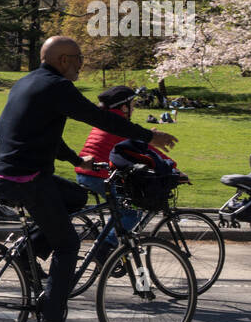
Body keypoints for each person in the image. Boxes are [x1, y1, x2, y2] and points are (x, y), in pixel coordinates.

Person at [0, 37, 177, 322]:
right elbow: (99, 118)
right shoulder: (57, 87)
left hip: (0, 173)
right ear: (62, 60)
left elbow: (41, 136)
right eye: (78, 58)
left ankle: (26, 252)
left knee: (76, 197)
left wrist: (77, 159)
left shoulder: (27, 82)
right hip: (25, 178)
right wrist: (148, 137)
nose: (81, 64)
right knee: (68, 244)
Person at [76, 85, 184, 254]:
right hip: (98, 175)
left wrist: (145, 136)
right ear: (124, 107)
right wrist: (174, 169)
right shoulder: (118, 125)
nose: (134, 107)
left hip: (87, 172)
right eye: (132, 104)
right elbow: (145, 151)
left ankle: (106, 247)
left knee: (121, 210)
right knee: (131, 212)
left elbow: (136, 142)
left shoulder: (108, 120)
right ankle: (103, 251)